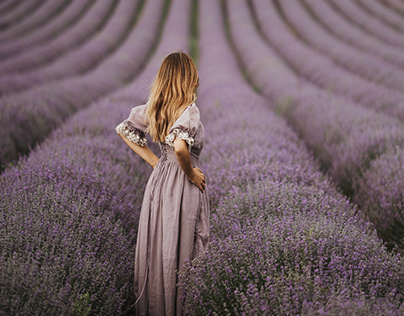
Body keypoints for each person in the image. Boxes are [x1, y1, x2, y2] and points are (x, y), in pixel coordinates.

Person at [115, 51, 210, 316]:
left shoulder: (157, 106)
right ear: (187, 78)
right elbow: (180, 147)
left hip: (160, 182)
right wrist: (190, 173)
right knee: (182, 246)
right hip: (181, 183)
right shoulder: (189, 111)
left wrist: (157, 163)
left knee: (160, 243)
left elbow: (125, 130)